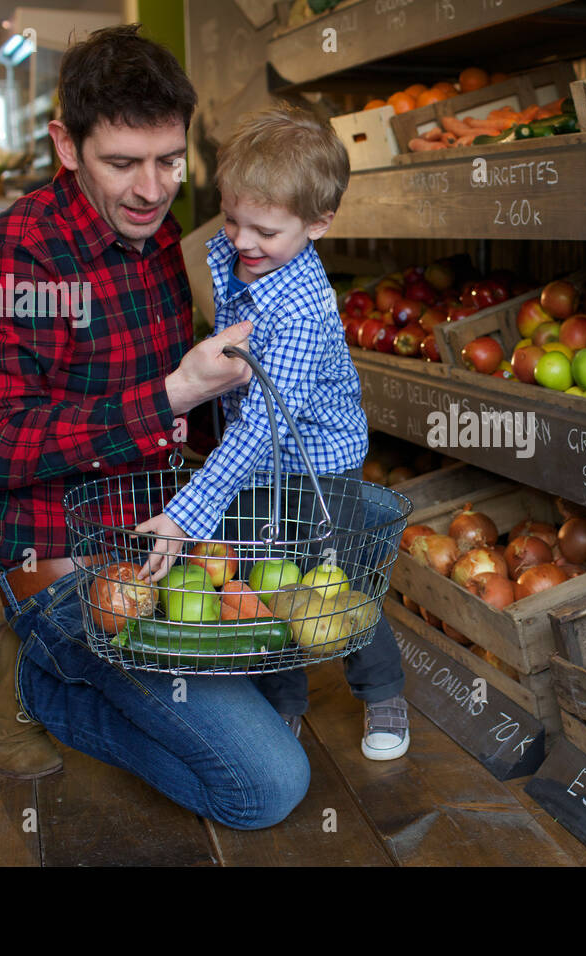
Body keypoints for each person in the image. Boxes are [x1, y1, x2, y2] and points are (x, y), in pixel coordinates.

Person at [0, 25, 309, 829]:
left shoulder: (157, 237)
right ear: (66, 145)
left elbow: (184, 409)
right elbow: (2, 449)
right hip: (58, 553)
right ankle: (38, 680)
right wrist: (174, 393)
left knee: (290, 673)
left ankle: (106, 668)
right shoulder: (9, 265)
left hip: (157, 530)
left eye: (169, 161)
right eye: (122, 163)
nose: (152, 189)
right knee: (266, 787)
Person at [134, 106, 411, 762]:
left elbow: (260, 426)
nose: (242, 241)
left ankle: (383, 691)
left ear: (319, 225)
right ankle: (284, 702)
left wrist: (185, 513)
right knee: (261, 583)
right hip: (259, 468)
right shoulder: (246, 259)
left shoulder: (301, 309)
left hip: (316, 464)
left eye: (265, 229)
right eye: (232, 219)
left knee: (329, 584)